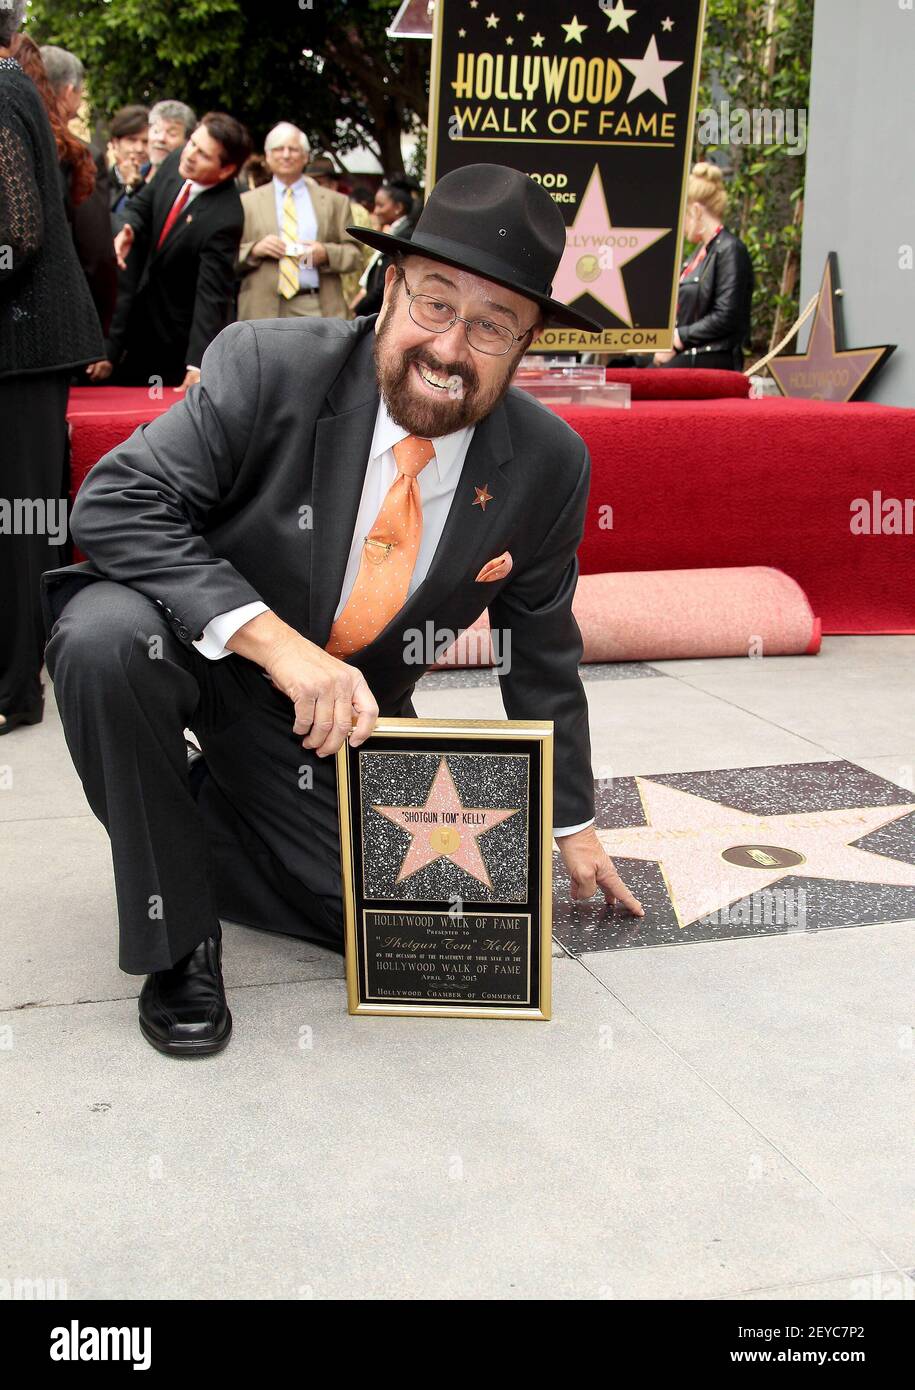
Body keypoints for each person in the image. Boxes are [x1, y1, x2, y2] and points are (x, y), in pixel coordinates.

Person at [41, 161, 644, 1056]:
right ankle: (179, 943)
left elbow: (540, 650)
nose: (449, 348)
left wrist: (572, 822)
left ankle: (190, 819)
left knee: (416, 930)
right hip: (193, 654)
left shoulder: (550, 465)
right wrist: (280, 647)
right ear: (388, 285)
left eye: (491, 327)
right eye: (435, 304)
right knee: (102, 638)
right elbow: (117, 502)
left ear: (526, 347)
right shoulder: (265, 365)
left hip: (341, 724)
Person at [0, 3, 104, 735]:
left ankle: (16, 689)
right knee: (20, 518)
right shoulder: (12, 84)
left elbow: (19, 231)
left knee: (19, 521)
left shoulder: (3, 87)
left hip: (23, 344)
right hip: (23, 344)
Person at [93, 111, 250, 389]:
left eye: (203, 154)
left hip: (171, 342)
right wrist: (129, 227)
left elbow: (211, 294)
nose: (189, 154)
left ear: (225, 170)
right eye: (192, 143)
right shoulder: (174, 163)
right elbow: (142, 204)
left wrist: (197, 364)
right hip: (130, 321)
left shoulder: (225, 216)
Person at [18, 38, 117, 343]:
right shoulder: (77, 155)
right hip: (56, 321)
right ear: (70, 91)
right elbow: (96, 253)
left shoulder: (12, 139)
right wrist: (99, 328)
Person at [236, 122, 361, 322]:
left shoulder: (335, 202)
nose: (286, 155)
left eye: (293, 149)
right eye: (278, 149)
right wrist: (255, 249)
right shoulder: (246, 202)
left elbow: (355, 255)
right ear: (268, 156)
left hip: (316, 305)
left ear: (305, 156)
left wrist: (326, 253)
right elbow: (226, 255)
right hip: (262, 307)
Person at [653, 161, 754, 371]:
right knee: (625, 367)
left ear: (697, 211)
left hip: (714, 355)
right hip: (690, 351)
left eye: (685, 215)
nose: (682, 225)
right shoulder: (700, 254)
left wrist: (679, 338)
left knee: (643, 381)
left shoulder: (730, 250)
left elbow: (726, 316)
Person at [350, 178, 417, 315]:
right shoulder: (397, 232)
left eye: (381, 205)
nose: (376, 211)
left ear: (398, 207)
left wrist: (359, 308)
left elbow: (384, 283)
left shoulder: (404, 237)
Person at [107, 104, 149, 229]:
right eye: (132, 140)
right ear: (115, 143)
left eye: (145, 141)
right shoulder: (100, 181)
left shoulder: (156, 183)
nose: (139, 149)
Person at [146, 98, 195, 175]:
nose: (161, 138)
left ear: (188, 141)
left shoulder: (185, 183)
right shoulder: (138, 173)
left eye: (172, 134)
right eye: (156, 131)